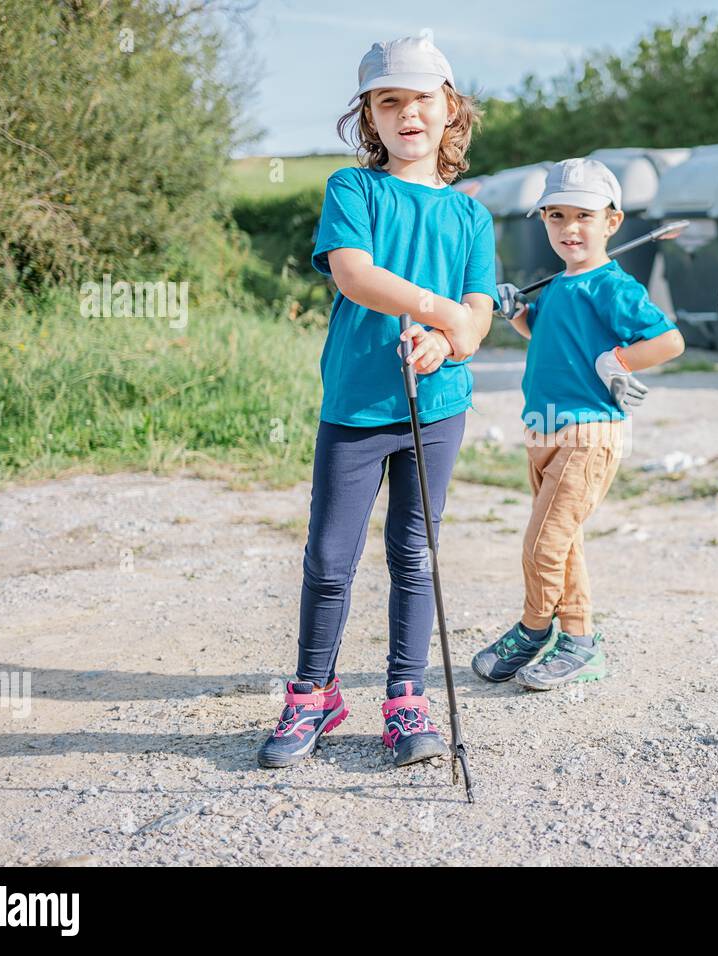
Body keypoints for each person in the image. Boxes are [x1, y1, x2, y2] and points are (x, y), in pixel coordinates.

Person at [257, 35, 498, 769]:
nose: (406, 114)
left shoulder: (471, 216)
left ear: (449, 106)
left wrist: (445, 341)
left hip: (439, 406)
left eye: (421, 98)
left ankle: (406, 698)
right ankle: (314, 694)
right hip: (358, 408)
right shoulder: (352, 189)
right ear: (370, 116)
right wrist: (439, 311)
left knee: (415, 555)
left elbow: (478, 316)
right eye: (387, 101)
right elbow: (354, 274)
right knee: (330, 559)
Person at [472, 158, 685, 690]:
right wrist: (517, 311)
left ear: (612, 223)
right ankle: (579, 642)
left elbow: (670, 340)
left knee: (543, 542)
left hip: (587, 433)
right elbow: (548, 340)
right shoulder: (562, 285)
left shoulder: (613, 286)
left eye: (583, 217)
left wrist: (620, 361)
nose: (569, 228)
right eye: (556, 215)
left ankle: (532, 631)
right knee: (564, 542)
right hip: (541, 430)